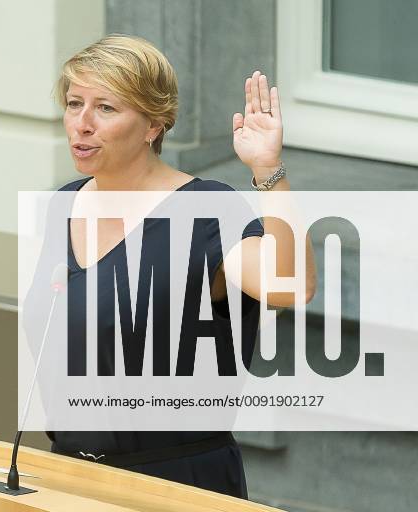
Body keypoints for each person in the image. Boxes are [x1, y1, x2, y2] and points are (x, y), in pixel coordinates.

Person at [32, 34, 317, 499]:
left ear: (153, 124)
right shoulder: (64, 204)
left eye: (105, 108)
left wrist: (268, 169)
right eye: (74, 104)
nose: (82, 124)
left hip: (174, 485)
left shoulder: (206, 210)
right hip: (68, 480)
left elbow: (291, 287)